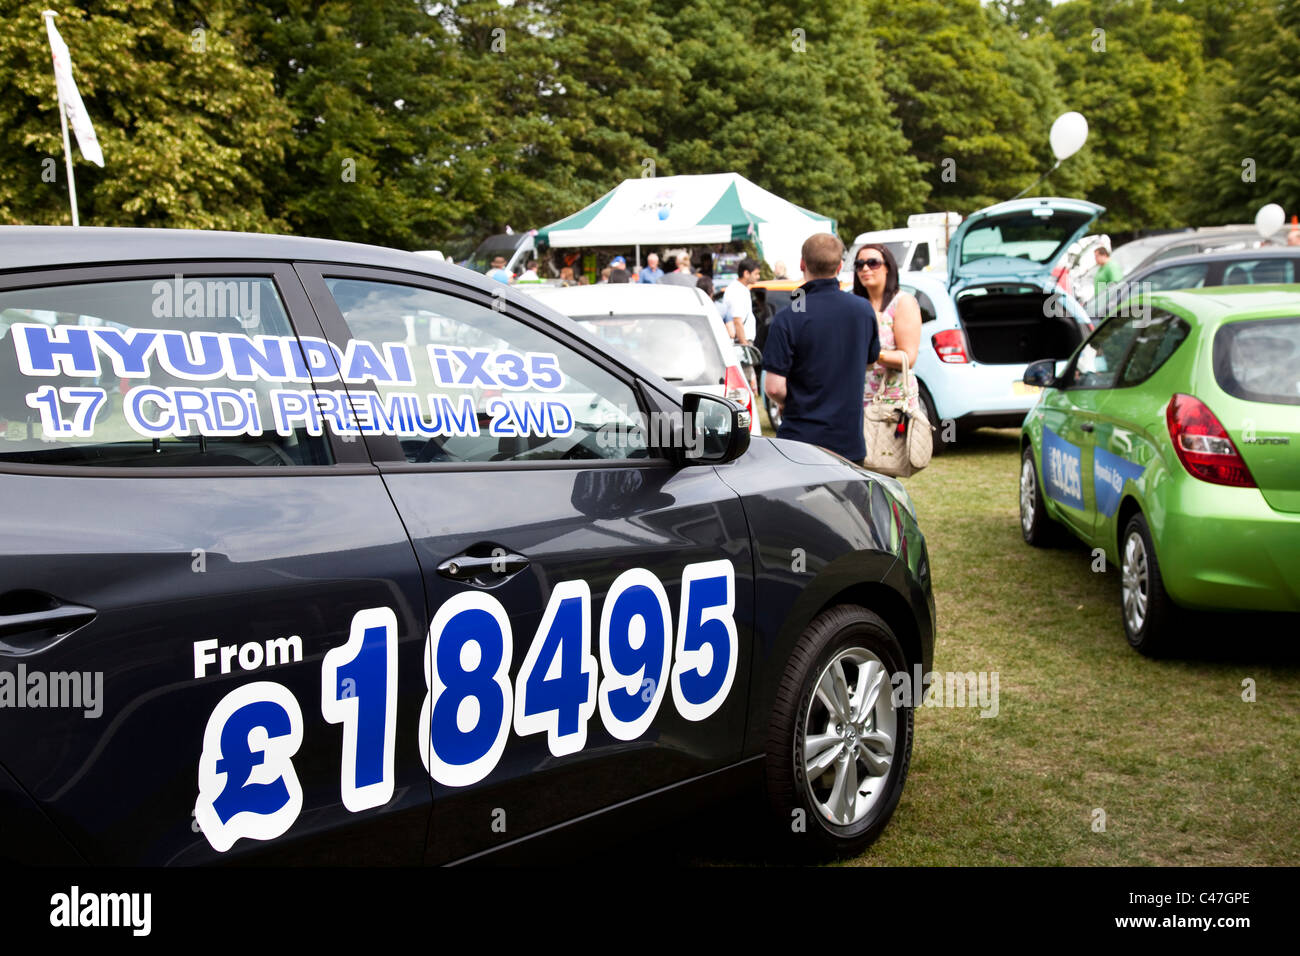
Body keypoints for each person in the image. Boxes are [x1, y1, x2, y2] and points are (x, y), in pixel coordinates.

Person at [763, 234, 880, 463]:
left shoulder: (788, 317)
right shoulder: (863, 310)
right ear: (839, 267)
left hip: (799, 444)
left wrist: (793, 401)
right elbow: (870, 361)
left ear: (802, 264)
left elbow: (774, 387)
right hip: (848, 443)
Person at [853, 245, 922, 416]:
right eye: (859, 264)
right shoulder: (855, 304)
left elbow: (908, 357)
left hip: (893, 404)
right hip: (857, 400)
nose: (865, 268)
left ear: (887, 268)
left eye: (873, 263)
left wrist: (873, 353)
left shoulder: (903, 303)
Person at [720, 257, 760, 345]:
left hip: (741, 341)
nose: (758, 277)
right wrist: (745, 345)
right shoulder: (737, 290)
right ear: (746, 273)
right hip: (740, 342)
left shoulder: (741, 288)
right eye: (756, 274)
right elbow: (737, 320)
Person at [1093, 245, 1122, 311]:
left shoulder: (1112, 266)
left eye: (1096, 256)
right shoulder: (1102, 267)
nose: (1095, 259)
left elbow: (1117, 284)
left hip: (1108, 303)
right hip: (1101, 302)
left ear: (1104, 255)